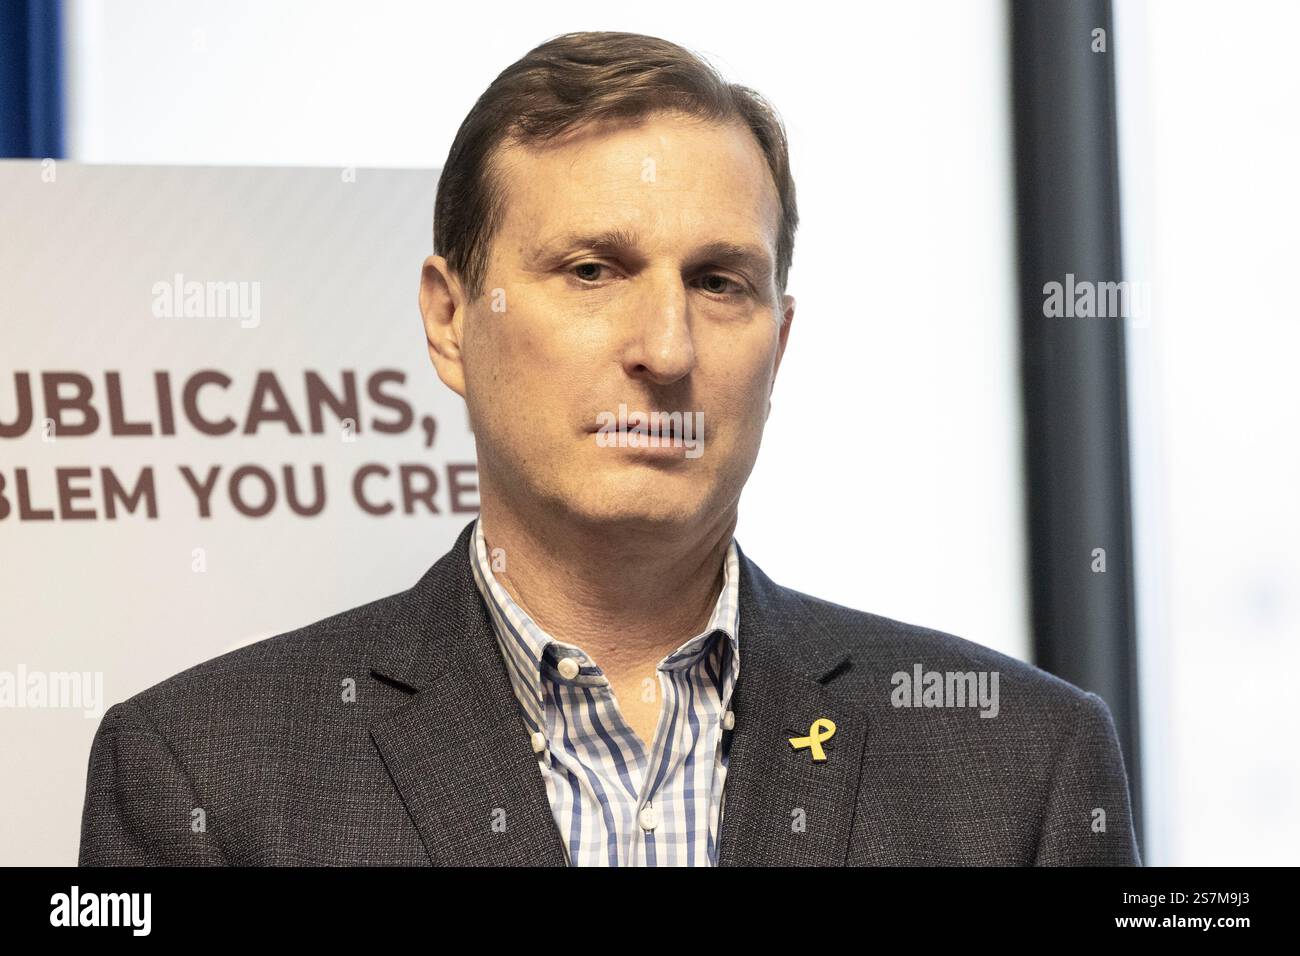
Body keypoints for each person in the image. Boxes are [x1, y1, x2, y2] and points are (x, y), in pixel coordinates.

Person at [79, 30, 1140, 866]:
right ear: (450, 320)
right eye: (591, 270)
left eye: (720, 281)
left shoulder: (1017, 765)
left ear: (779, 338)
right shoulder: (201, 774)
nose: (665, 347)